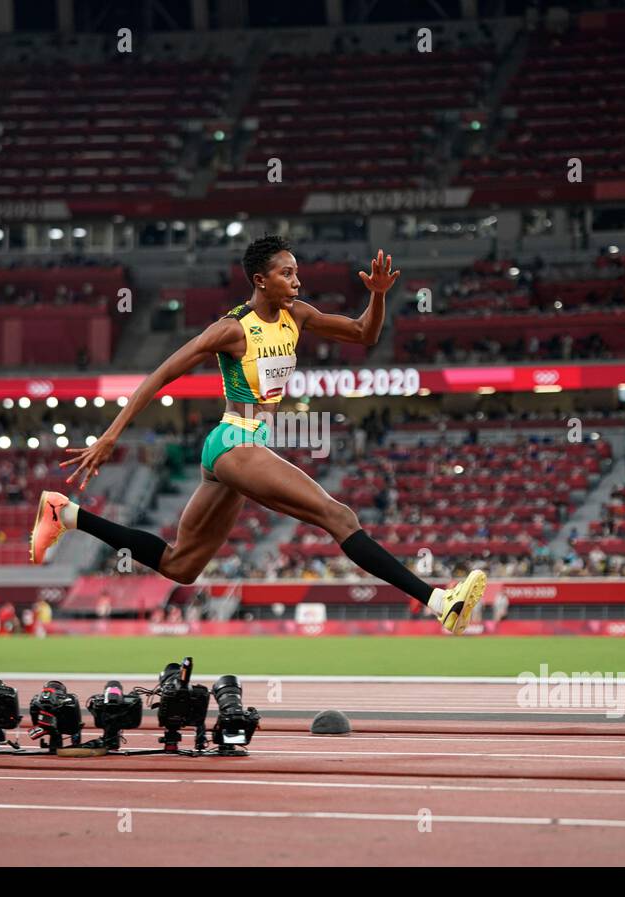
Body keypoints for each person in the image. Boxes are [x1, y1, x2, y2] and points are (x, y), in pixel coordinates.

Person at [29, 236, 486, 634]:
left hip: (243, 447)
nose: (297, 281)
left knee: (180, 566)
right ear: (260, 279)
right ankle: (439, 602)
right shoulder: (230, 329)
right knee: (339, 516)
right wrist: (111, 435)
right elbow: (162, 374)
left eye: (297, 273)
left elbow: (364, 334)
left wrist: (380, 296)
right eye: (287, 273)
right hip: (234, 440)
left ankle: (66, 514)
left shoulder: (298, 315)